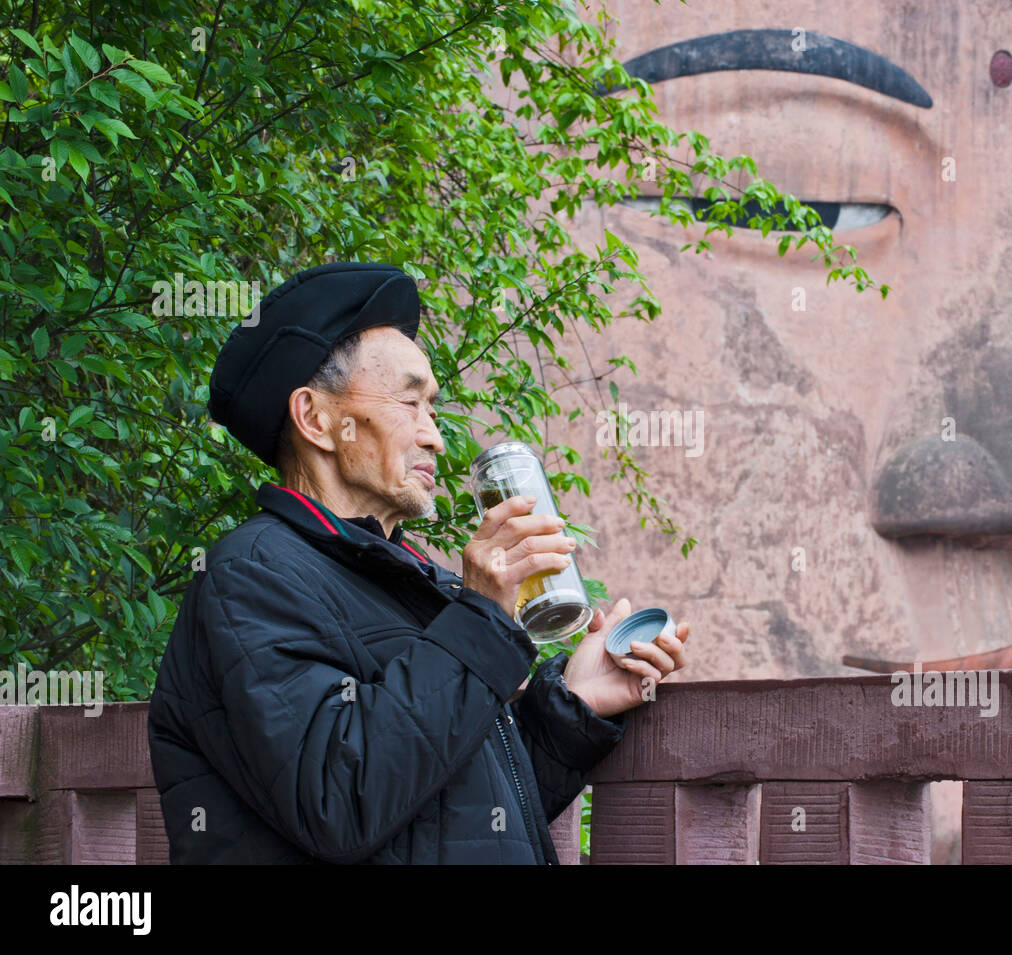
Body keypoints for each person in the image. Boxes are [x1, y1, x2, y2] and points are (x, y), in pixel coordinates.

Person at [147, 261, 689, 863]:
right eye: (411, 402)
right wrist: (482, 617)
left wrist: (575, 705)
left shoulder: (407, 582)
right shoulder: (250, 575)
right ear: (316, 419)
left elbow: (459, 816)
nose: (436, 436)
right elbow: (341, 799)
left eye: (433, 407)